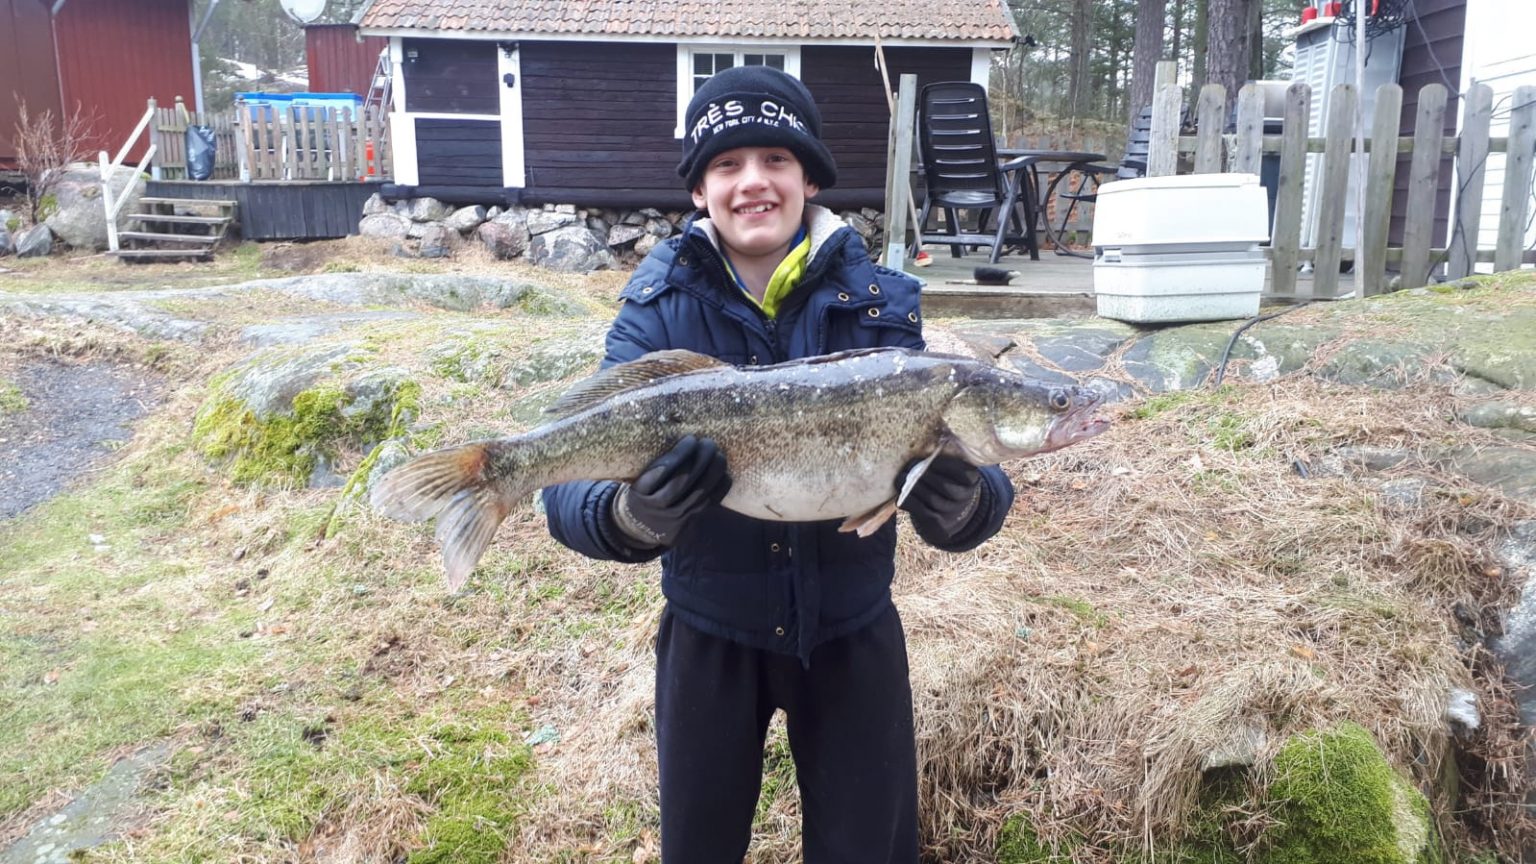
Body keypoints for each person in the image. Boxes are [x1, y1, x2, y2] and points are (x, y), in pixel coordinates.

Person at [542, 66, 1016, 864]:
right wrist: (630, 517)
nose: (752, 182)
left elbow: (984, 474)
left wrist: (960, 503)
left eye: (776, 160)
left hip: (852, 631)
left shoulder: (884, 307)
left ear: (809, 179)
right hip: (708, 634)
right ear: (699, 191)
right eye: (726, 165)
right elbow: (565, 485)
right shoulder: (654, 312)